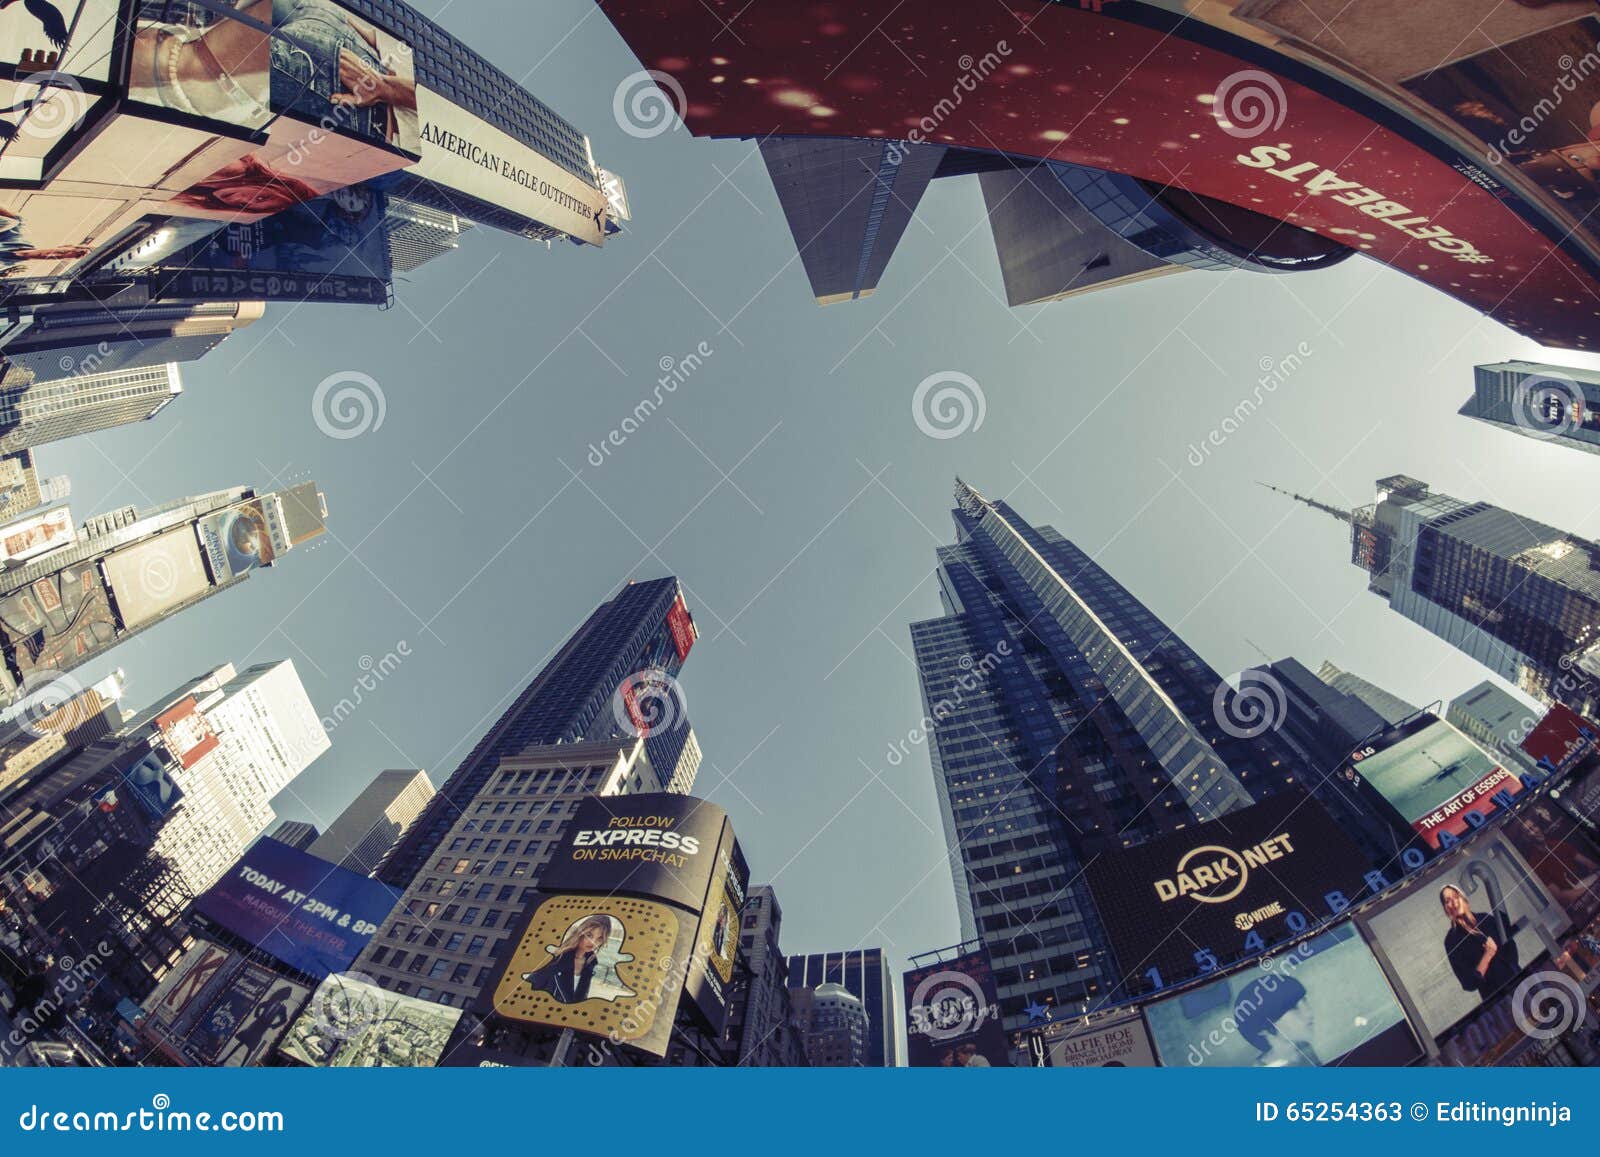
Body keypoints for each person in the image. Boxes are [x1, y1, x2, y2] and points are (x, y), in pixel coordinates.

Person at [1441, 884, 1520, 1001]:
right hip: (1497, 999)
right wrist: (1487, 956)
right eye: (1448, 901)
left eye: (1456, 896)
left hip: (1520, 979)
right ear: (1446, 909)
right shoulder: (1451, 941)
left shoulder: (1486, 918)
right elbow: (1468, 984)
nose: (1454, 903)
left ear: (1463, 898)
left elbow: (1511, 947)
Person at [521, 915, 613, 1004]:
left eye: (599, 938)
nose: (593, 942)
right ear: (580, 933)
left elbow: (580, 999)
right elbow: (529, 987)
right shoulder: (557, 958)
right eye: (589, 935)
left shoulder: (590, 963)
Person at [1234, 974, 1318, 1066]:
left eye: (1305, 1000)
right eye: (1293, 1008)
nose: (1309, 1013)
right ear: (1264, 1028)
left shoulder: (1305, 1050)